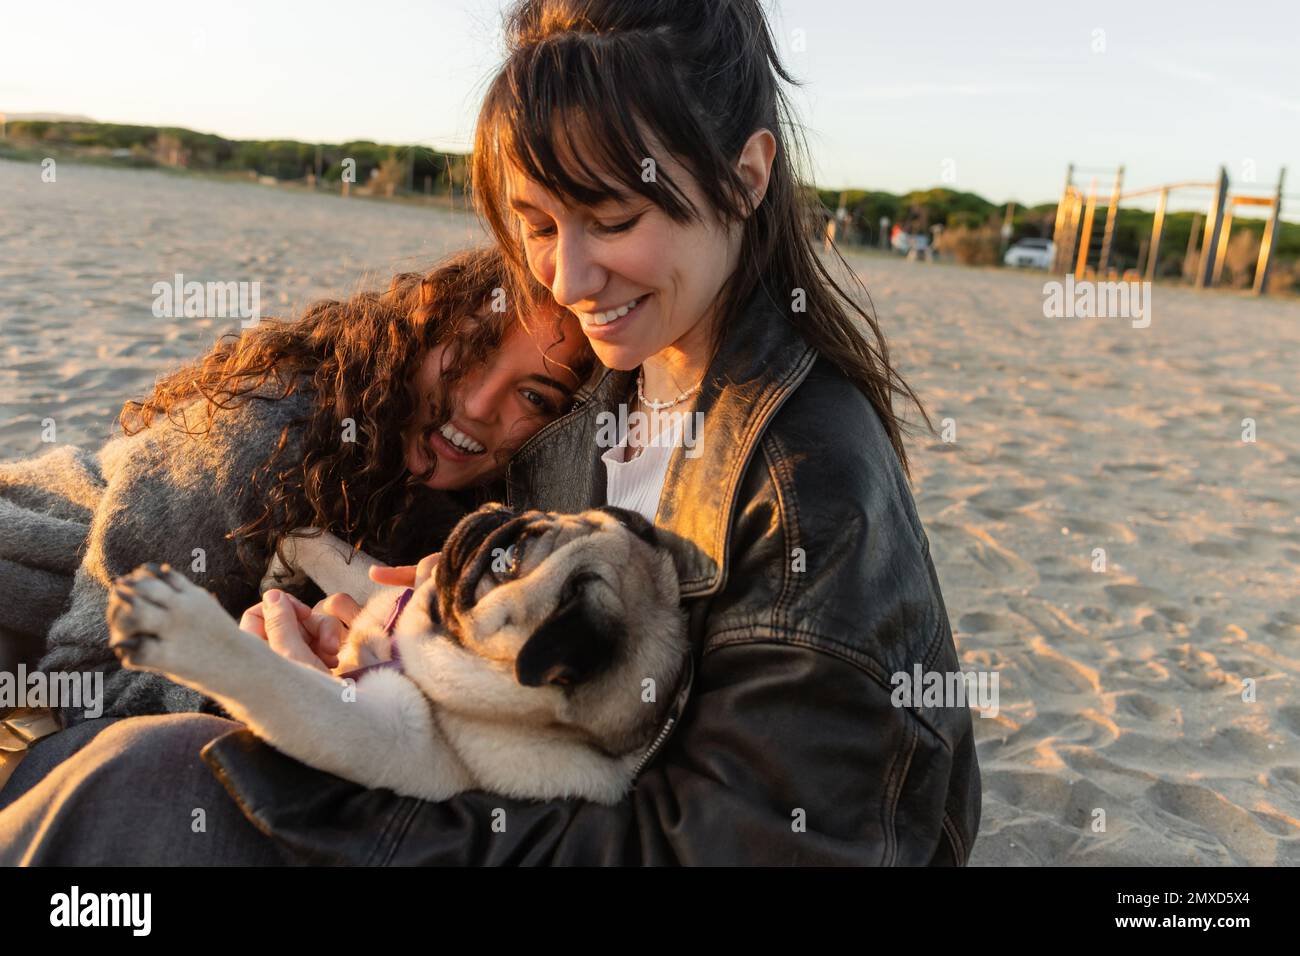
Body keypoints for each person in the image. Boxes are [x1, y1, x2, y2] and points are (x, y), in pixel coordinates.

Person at [0, 0, 979, 865]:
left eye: (611, 215)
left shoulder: (809, 488)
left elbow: (744, 843)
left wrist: (334, 784)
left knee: (146, 783)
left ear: (747, 174)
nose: (569, 278)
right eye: (538, 225)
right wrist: (373, 644)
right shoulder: (604, 383)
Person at [0, 246, 592, 798]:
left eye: (534, 397)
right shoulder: (263, 429)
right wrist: (272, 688)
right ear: (424, 322)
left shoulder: (477, 514)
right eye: (472, 353)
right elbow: (86, 684)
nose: (481, 405)